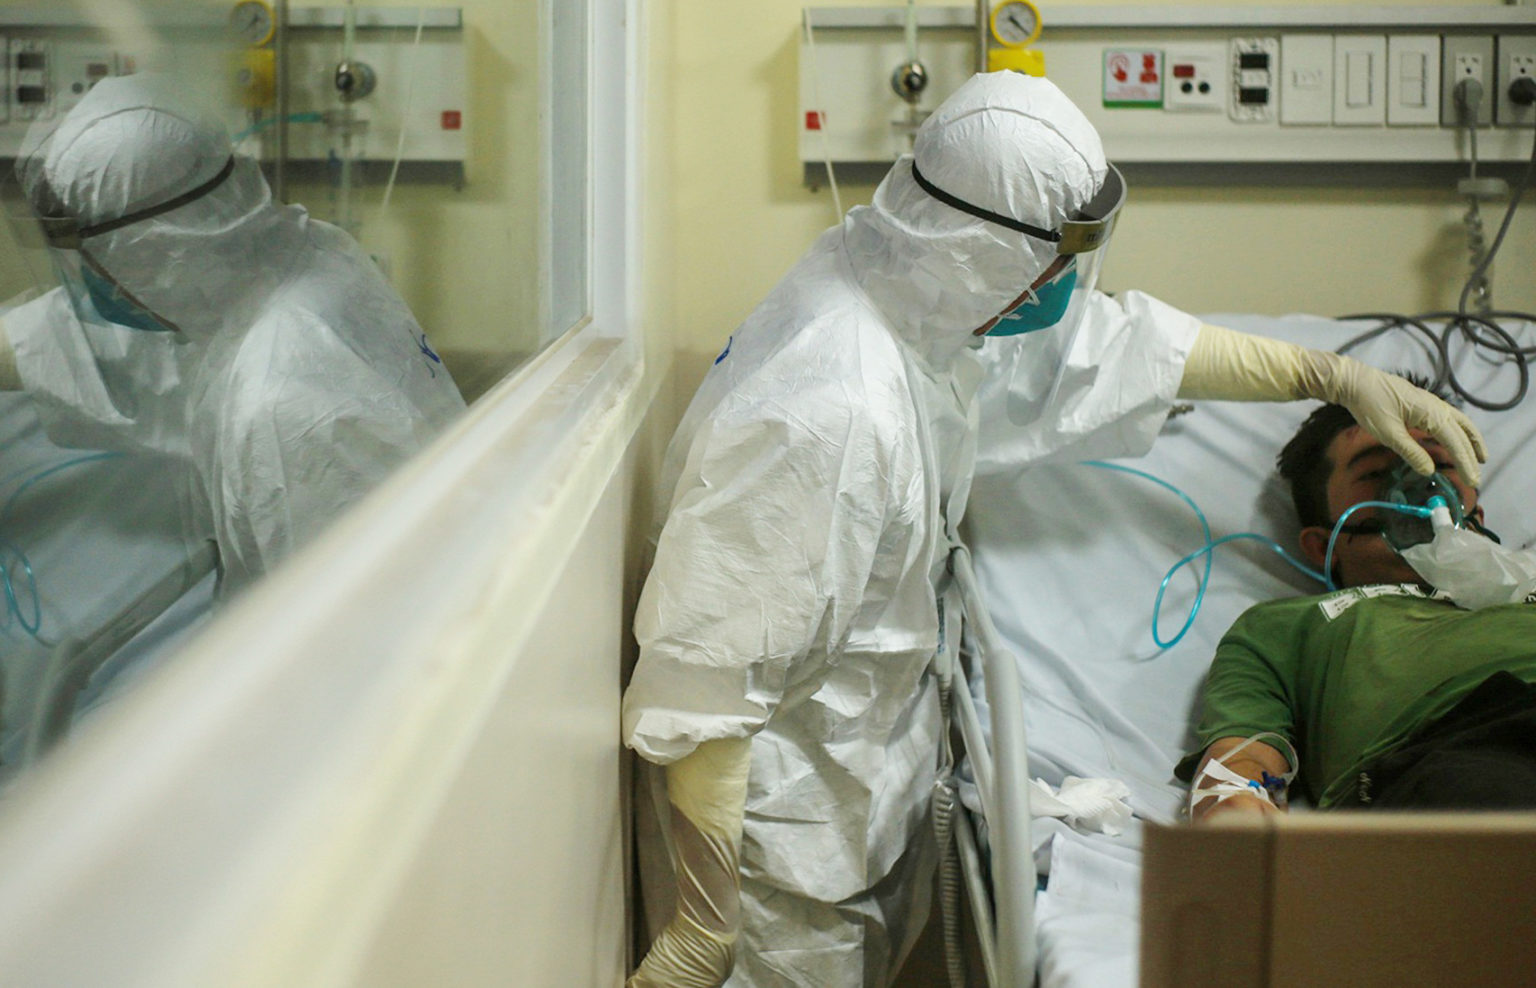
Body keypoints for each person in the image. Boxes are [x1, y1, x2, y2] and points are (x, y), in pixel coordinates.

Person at [622, 71, 1485, 988]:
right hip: (769, 864)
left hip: (847, 798)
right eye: (1055, 256)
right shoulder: (827, 402)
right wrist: (702, 930)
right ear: (979, 252)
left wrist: (1327, 375)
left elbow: (1094, 358)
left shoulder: (917, 295)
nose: (1066, 284)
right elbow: (711, 685)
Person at [0, 73, 465, 590]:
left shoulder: (282, 403)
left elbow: (343, 636)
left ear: (147, 252)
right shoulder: (301, 261)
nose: (89, 278)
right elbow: (162, 366)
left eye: (92, 257)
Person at [1181, 394, 1536, 820]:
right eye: (1376, 472)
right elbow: (1240, 764)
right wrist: (1235, 817)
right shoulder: (1285, 627)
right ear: (1322, 545)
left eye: (1439, 466)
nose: (1423, 485)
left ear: (1475, 509)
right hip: (1464, 751)